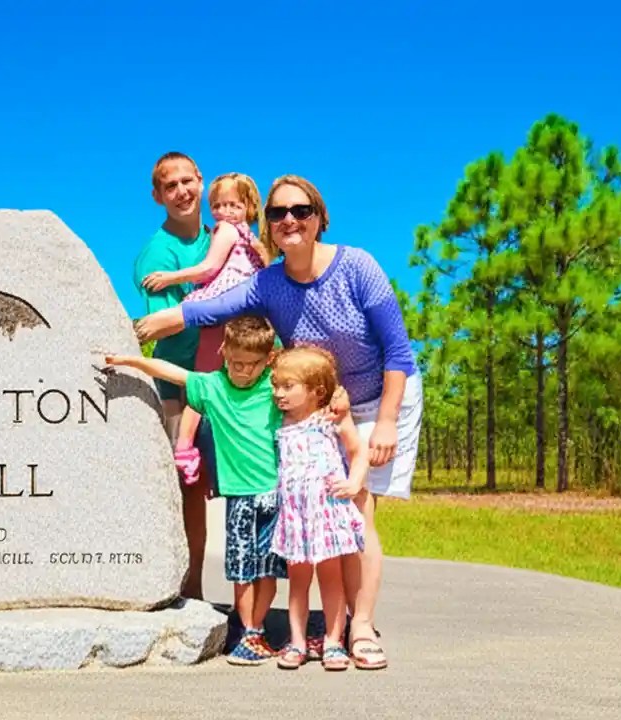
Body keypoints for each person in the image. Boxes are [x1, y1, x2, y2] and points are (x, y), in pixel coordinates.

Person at [134, 174, 422, 670]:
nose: (289, 220)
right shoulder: (270, 283)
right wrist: (168, 320)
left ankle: (360, 626)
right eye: (277, 213)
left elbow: (398, 350)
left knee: (358, 511)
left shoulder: (358, 267)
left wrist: (389, 421)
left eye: (300, 210)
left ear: (319, 217)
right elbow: (218, 306)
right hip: (320, 401)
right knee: (342, 511)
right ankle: (337, 626)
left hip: (381, 397)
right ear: (266, 223)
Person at [103, 316, 287, 666]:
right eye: (235, 363)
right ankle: (249, 632)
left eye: (252, 365)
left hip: (277, 496)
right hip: (240, 499)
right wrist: (130, 360)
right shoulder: (213, 386)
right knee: (243, 572)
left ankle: (258, 627)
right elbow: (168, 371)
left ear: (269, 359)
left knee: (270, 572)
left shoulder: (274, 385)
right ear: (223, 351)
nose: (243, 372)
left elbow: (311, 375)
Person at [140, 172, 275, 487]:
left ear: (249, 207)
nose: (225, 212)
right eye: (218, 205)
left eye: (233, 205)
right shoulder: (243, 235)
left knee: (204, 381)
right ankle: (202, 447)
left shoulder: (229, 231)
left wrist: (171, 278)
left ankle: (187, 447)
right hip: (240, 313)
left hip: (222, 310)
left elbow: (209, 268)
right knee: (223, 379)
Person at [132, 151, 212, 600]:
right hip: (179, 387)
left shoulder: (222, 237)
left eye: (187, 181)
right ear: (157, 195)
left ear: (201, 182)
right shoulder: (156, 255)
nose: (181, 191)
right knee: (188, 490)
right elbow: (162, 324)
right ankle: (190, 587)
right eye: (170, 185)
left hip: (232, 378)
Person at [268, 346, 368, 672]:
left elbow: (358, 451)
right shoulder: (278, 420)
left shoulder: (330, 420)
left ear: (316, 391)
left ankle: (334, 641)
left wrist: (354, 483)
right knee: (297, 581)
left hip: (326, 511)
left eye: (288, 386)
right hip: (296, 515)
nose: (278, 393)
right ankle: (297, 641)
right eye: (276, 385)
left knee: (331, 579)